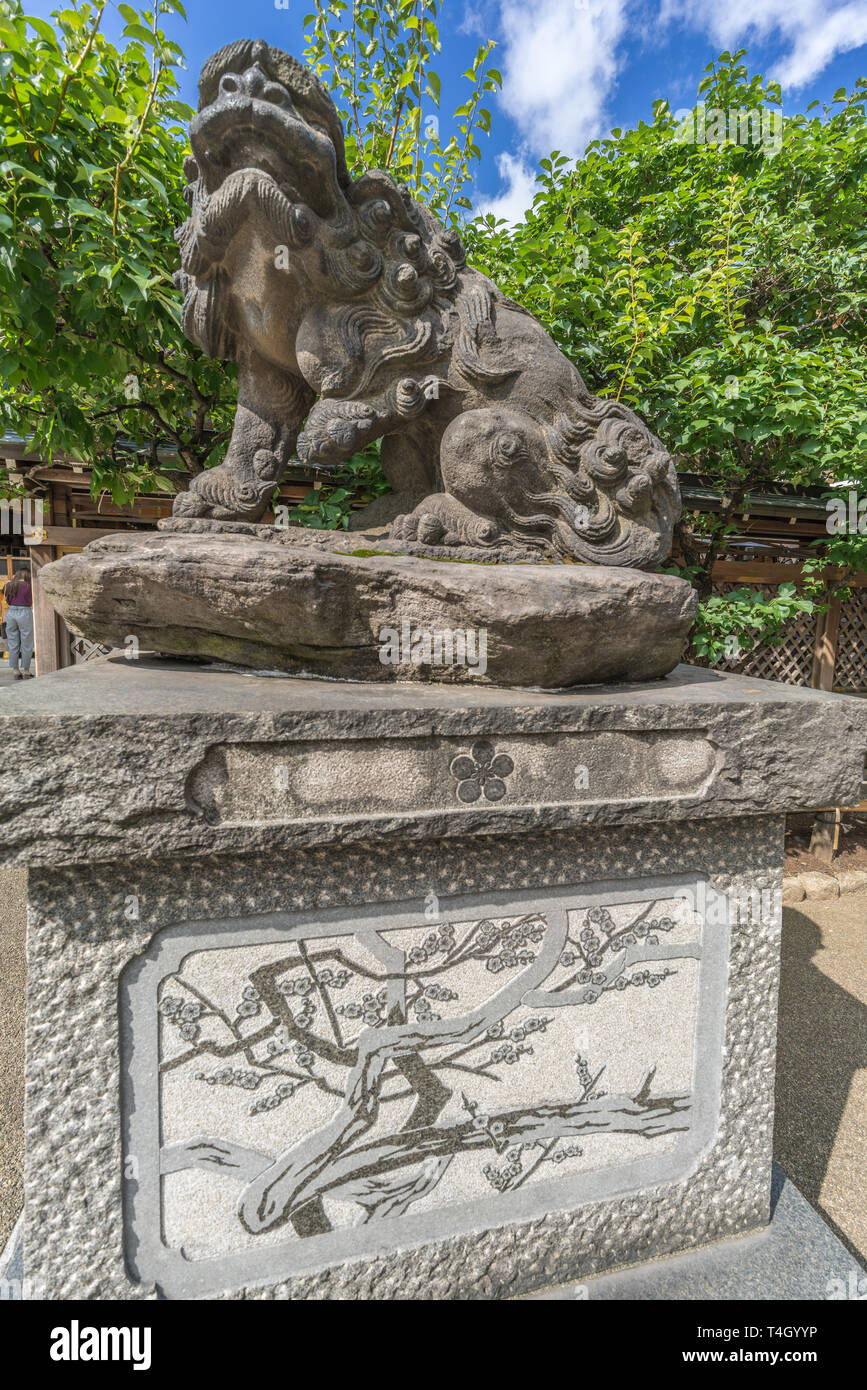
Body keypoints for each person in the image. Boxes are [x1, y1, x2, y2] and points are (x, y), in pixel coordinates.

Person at [4, 567, 34, 679]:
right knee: (27, 642)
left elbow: (7, 600)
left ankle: (15, 670)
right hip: (24, 612)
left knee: (13, 642)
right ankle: (26, 670)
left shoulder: (9, 585)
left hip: (11, 612)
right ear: (27, 575)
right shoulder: (29, 586)